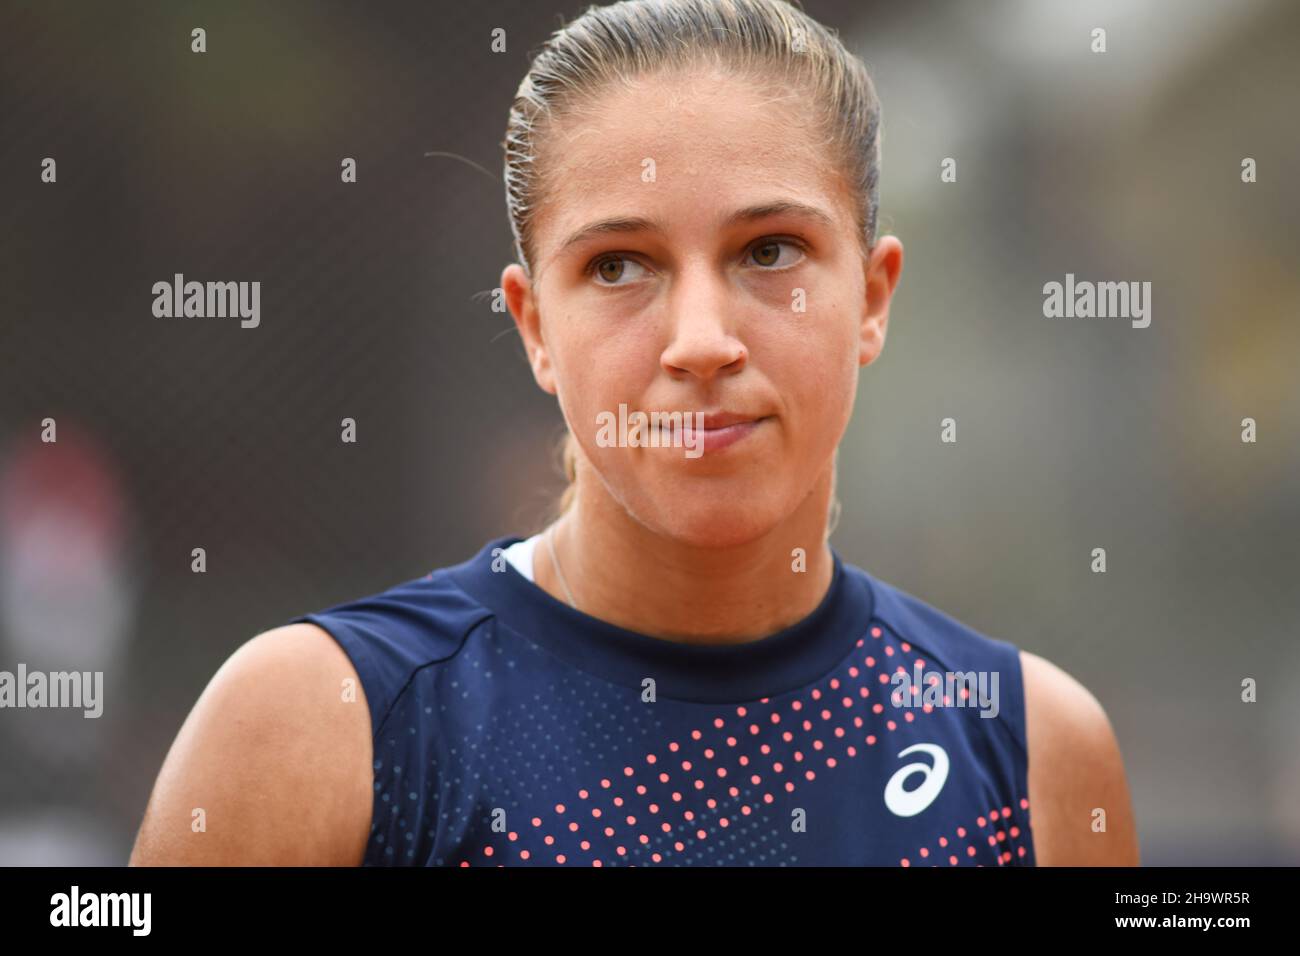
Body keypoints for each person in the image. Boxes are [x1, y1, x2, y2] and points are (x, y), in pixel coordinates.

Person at [130, 0, 1138, 867]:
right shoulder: (324, 721)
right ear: (533, 326)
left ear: (871, 296)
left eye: (769, 249)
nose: (701, 342)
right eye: (618, 265)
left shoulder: (1029, 748)